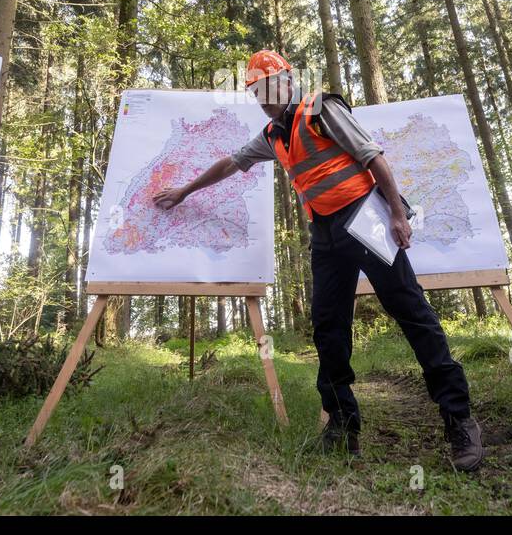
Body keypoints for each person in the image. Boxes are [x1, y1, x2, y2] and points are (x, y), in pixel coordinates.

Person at [154, 50, 485, 471]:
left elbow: (373, 156)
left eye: (269, 87)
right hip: (325, 236)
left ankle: (459, 419)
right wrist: (183, 191)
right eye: (256, 91)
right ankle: (342, 426)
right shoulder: (273, 135)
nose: (264, 97)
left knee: (411, 311)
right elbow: (230, 164)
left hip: (366, 220)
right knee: (328, 327)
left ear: (287, 81)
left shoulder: (320, 109)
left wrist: (398, 215)